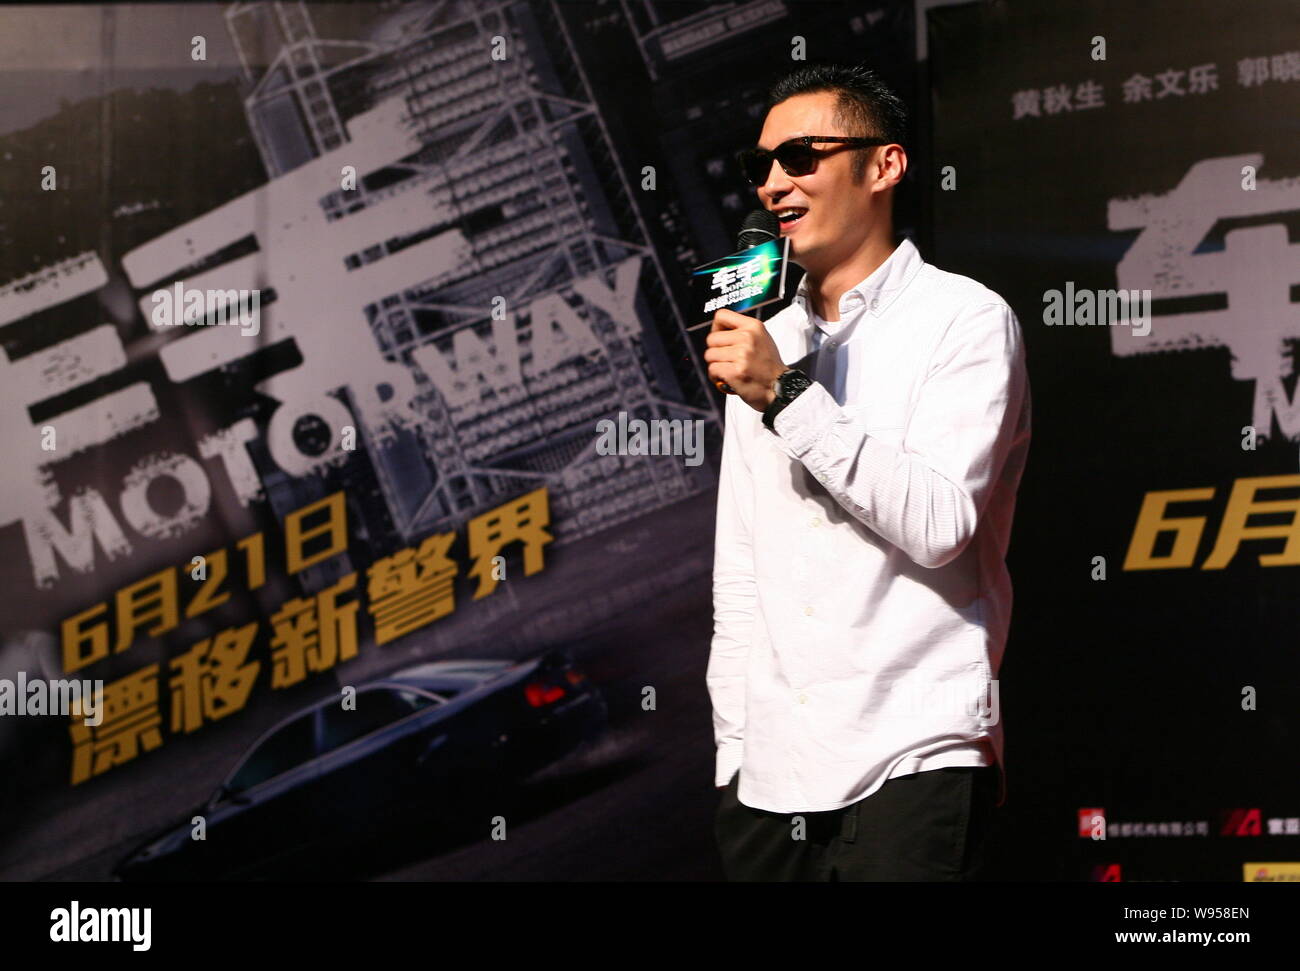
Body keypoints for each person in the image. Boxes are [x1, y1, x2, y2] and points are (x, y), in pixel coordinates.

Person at [704, 62, 1031, 881]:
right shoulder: (767, 337)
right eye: (761, 167)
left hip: (913, 751)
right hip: (769, 778)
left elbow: (939, 523)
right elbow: (741, 565)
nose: (776, 183)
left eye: (802, 157)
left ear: (883, 165)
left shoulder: (963, 318)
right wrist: (734, 747)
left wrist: (785, 393)